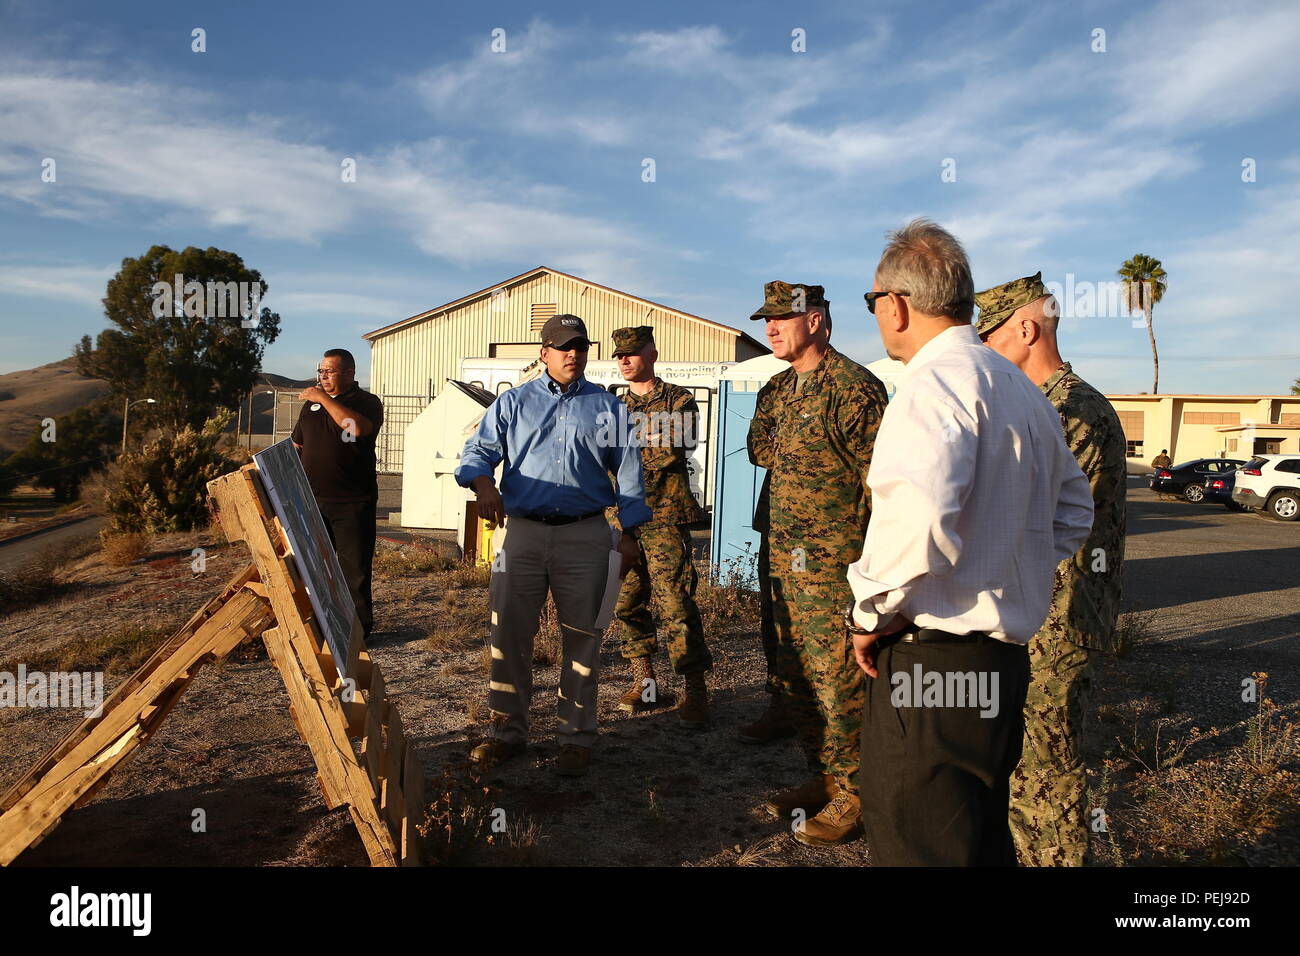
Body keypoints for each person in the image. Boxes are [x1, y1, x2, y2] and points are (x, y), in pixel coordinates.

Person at [846, 220, 1094, 866]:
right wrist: (1013, 566)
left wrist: (869, 611)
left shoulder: (931, 387)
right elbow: (1073, 512)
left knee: (918, 845)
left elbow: (920, 518)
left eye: (872, 302)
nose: (876, 315)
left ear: (896, 305)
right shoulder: (1023, 392)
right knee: (980, 845)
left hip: (932, 674)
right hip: (1001, 669)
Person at [455, 314, 650, 778]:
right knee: (510, 634)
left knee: (583, 637)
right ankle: (506, 733)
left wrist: (628, 536)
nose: (573, 354)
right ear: (544, 352)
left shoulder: (608, 408)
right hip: (521, 533)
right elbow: (477, 452)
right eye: (563, 346)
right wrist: (483, 486)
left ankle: (575, 738)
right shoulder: (512, 404)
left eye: (580, 346)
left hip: (585, 535)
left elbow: (629, 474)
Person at [977, 272, 1128, 866]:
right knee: (1022, 759)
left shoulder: (1070, 409)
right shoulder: (1043, 405)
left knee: (1048, 766)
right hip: (1040, 610)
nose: (985, 351)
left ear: (1025, 328)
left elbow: (1024, 512)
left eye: (990, 337)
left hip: (1062, 618)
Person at [742, 281, 888, 847]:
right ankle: (823, 775)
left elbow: (883, 485)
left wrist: (878, 570)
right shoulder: (777, 388)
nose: (772, 328)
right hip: (781, 554)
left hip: (834, 566)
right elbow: (760, 450)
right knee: (794, 672)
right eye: (767, 320)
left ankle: (859, 792)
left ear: (819, 321)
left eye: (785, 318)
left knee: (839, 680)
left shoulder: (855, 390)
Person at [610, 326, 713, 727]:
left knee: (676, 603)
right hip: (622, 519)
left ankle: (696, 691)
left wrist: (625, 444)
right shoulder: (611, 404)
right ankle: (646, 684)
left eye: (632, 353)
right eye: (619, 354)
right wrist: (640, 437)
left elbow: (669, 451)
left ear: (652, 354)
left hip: (664, 517)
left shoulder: (679, 399)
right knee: (626, 603)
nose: (624, 360)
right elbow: (600, 454)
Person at [291, 348, 384, 638]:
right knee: (316, 567)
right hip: (313, 500)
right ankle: (322, 626)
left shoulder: (367, 402)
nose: (323, 377)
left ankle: (356, 633)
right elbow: (298, 445)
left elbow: (354, 428)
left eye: (329, 371)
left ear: (349, 373)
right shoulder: (312, 406)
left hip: (352, 502)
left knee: (353, 570)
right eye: (321, 372)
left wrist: (322, 398)